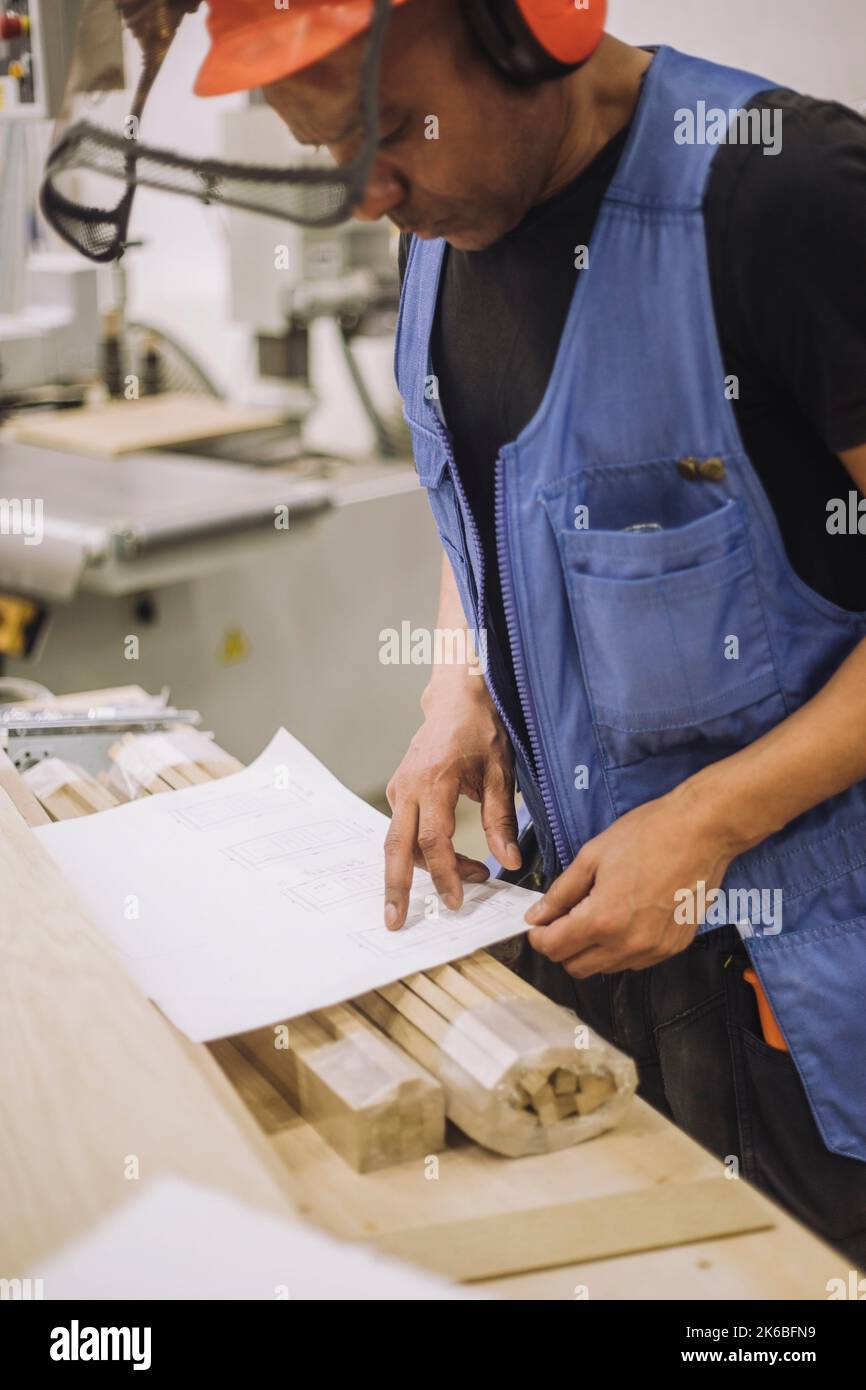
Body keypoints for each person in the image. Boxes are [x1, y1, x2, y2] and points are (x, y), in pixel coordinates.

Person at [195, 0, 866, 1263]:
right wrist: (461, 688)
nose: (368, 194)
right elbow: (507, 501)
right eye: (331, 157)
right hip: (594, 972)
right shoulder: (440, 230)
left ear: (526, 29)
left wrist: (710, 818)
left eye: (389, 132)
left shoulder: (783, 203)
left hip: (809, 1020)